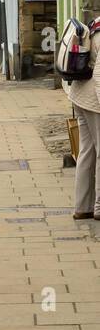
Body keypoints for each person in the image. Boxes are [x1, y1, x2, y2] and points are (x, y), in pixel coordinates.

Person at [66, 19, 100, 220]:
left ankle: (82, 206)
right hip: (94, 101)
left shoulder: (96, 23)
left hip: (80, 95)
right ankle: (99, 206)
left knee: (87, 151)